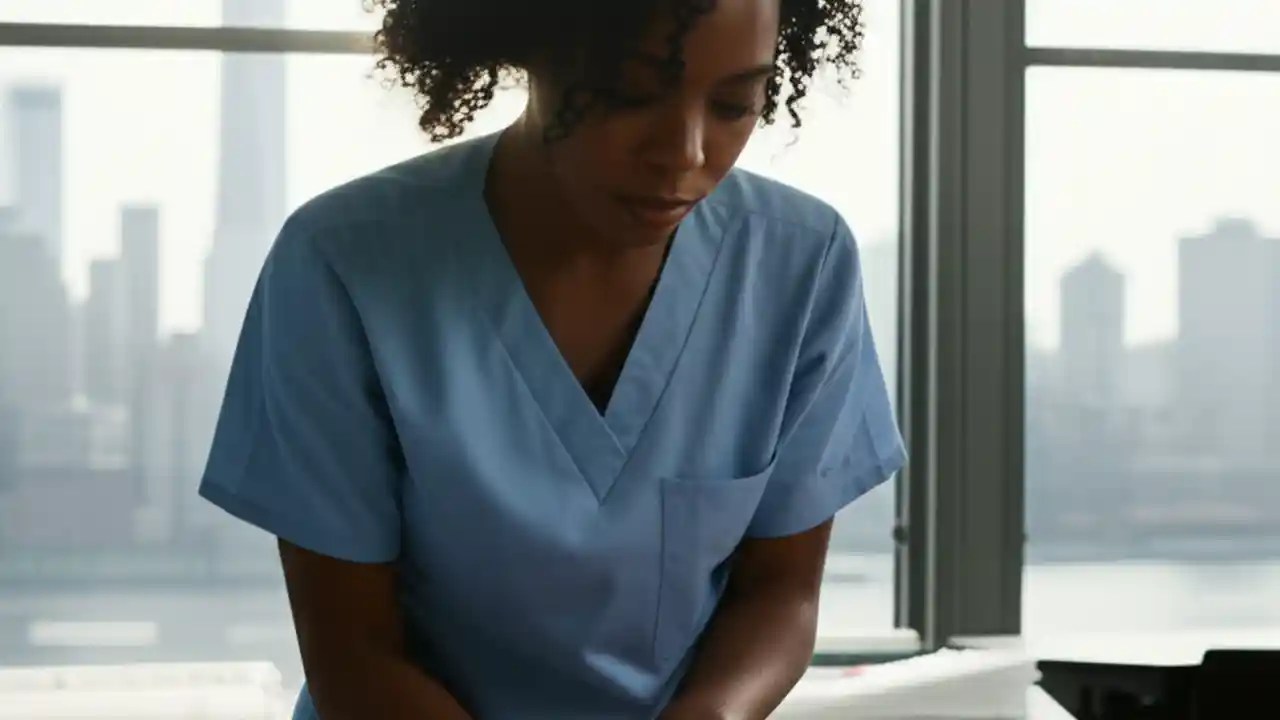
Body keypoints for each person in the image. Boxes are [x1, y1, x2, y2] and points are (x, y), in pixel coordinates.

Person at [198, 0, 906, 717]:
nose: (685, 154)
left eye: (733, 105)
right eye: (630, 94)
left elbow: (781, 592)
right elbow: (352, 651)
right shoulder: (344, 261)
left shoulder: (800, 263)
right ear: (531, 49)